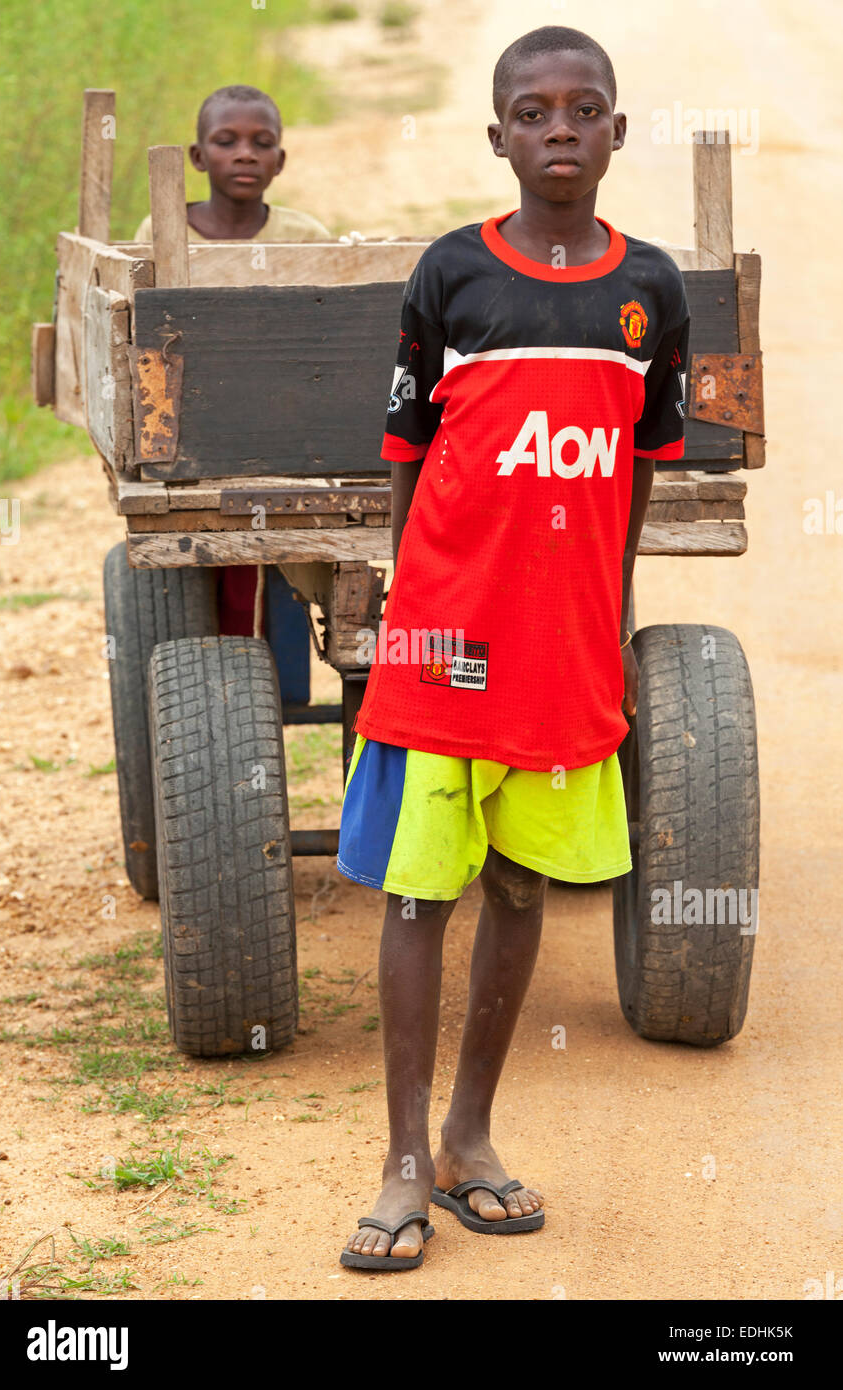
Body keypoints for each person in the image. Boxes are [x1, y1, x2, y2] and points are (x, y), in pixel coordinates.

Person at [337, 25, 689, 1271]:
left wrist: (610, 612)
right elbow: (402, 464)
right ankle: (394, 1165)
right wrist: (408, 615)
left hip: (561, 653)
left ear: (613, 133)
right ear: (496, 137)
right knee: (418, 890)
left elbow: (637, 474)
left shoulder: (647, 288)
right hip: (443, 647)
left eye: (580, 109)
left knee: (525, 885)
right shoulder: (449, 276)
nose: (556, 129)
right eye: (530, 112)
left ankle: (467, 1138)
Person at [134, 84, 330, 643]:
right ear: (197, 158)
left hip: (294, 424)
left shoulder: (306, 237)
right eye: (226, 141)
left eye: (261, 142)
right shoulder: (162, 233)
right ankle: (226, 653)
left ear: (279, 160)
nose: (245, 153)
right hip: (198, 424)